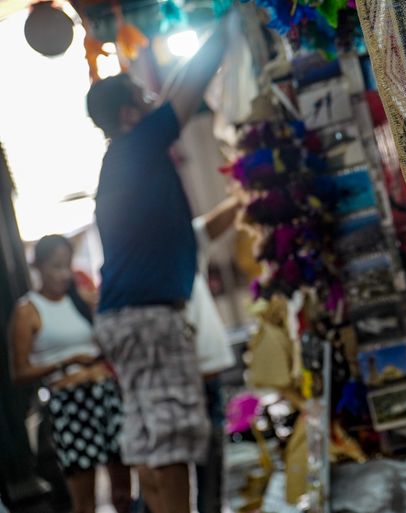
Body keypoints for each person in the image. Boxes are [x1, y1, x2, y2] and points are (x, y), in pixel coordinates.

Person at [86, 16, 230, 513]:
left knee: (150, 439)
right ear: (129, 113)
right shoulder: (138, 145)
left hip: (125, 315)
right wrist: (226, 24)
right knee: (172, 438)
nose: (154, 99)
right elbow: (188, 87)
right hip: (148, 316)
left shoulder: (122, 155)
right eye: (143, 97)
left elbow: (169, 95)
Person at [8, 235, 130, 513]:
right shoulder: (28, 311)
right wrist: (66, 362)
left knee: (123, 492)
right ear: (38, 266)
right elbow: (19, 372)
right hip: (70, 404)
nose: (64, 274)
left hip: (105, 393)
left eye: (67, 265)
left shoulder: (80, 300)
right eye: (56, 266)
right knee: (85, 501)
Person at [189, 195, 239, 513]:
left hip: (206, 371)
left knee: (211, 460)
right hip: (178, 377)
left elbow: (216, 222)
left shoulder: (182, 241)